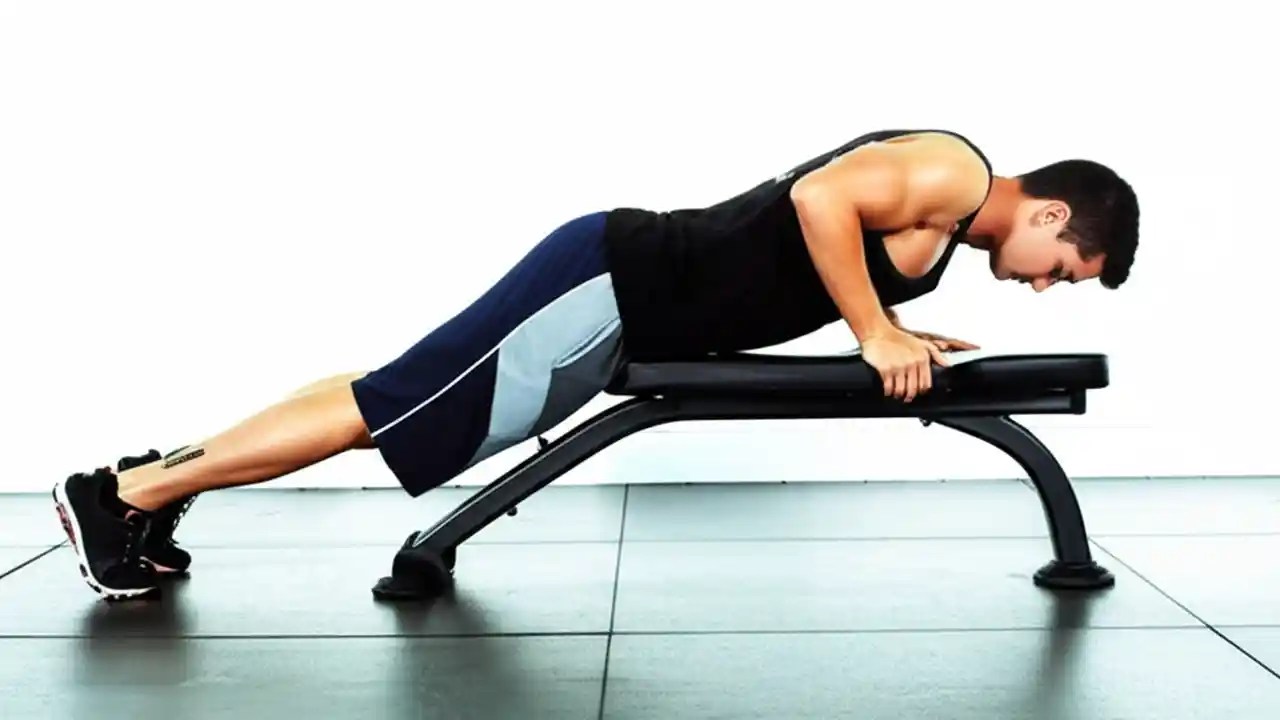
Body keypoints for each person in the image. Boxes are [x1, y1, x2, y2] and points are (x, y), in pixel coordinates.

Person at [51, 128, 1140, 600]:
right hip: (615, 282)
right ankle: (123, 494)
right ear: (1049, 210)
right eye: (1061, 266)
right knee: (387, 409)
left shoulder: (945, 227)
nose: (1042, 286)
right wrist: (872, 329)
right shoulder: (956, 169)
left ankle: (152, 482)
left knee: (386, 391)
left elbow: (795, 258)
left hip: (624, 301)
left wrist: (897, 326)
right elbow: (818, 199)